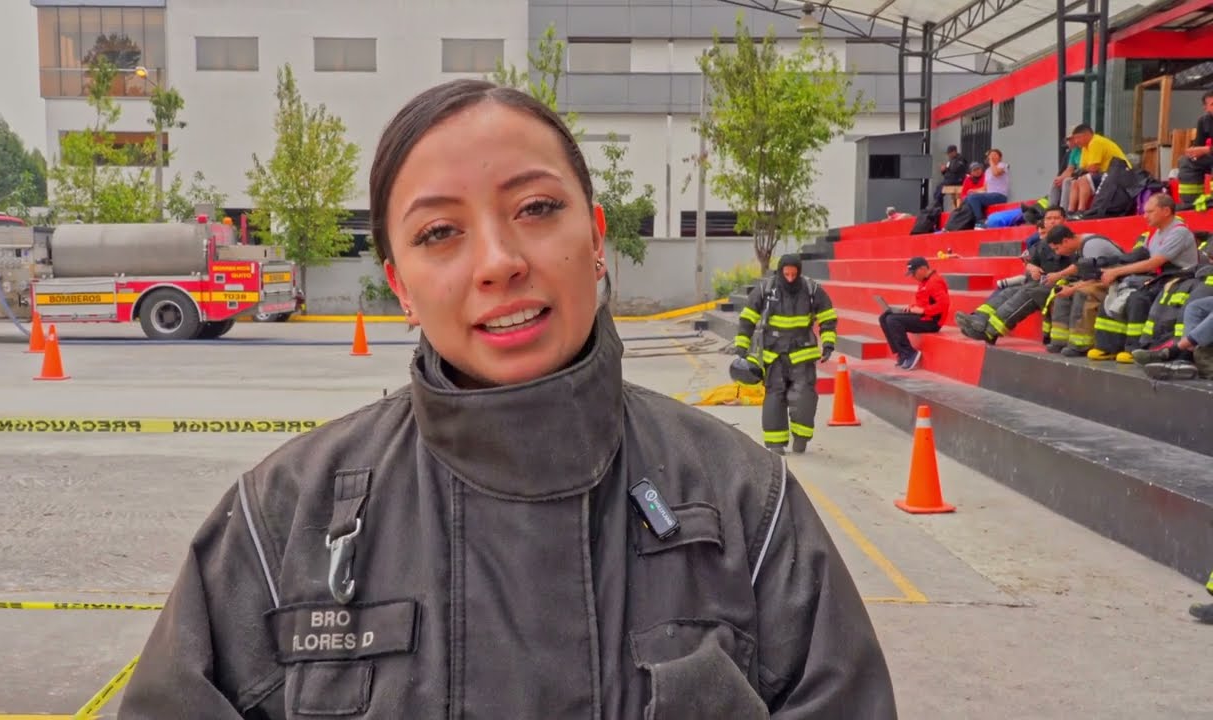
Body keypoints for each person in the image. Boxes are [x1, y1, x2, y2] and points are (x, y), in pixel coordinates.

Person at [116, 79, 897, 718]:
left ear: (594, 237)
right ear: (401, 287)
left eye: (535, 209)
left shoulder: (747, 506)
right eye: (438, 234)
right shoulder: (281, 516)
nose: (497, 262)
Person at [733, 255, 838, 456]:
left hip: (803, 354)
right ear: (780, 271)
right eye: (786, 274)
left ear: (799, 272)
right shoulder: (766, 289)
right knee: (775, 397)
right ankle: (775, 443)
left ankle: (801, 439)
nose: (790, 278)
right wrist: (741, 348)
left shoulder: (811, 289)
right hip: (774, 356)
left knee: (805, 397)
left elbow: (827, 317)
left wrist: (828, 344)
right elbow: (747, 319)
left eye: (794, 274)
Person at [1090, 194, 1200, 363]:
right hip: (1160, 277)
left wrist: (1117, 272)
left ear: (1166, 211)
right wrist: (1113, 270)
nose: (1144, 215)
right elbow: (1143, 258)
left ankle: (1135, 348)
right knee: (1118, 290)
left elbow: (1153, 263)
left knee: (1138, 298)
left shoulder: (1179, 232)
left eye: (1150, 211)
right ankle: (1108, 346)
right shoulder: (1154, 234)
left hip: (1179, 280)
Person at [956, 208, 1072, 345]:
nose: (1052, 221)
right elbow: (1027, 259)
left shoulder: (1069, 240)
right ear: (1044, 222)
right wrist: (1031, 267)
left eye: (1056, 218)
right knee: (1008, 291)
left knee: (1028, 293)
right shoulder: (1041, 244)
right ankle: (979, 318)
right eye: (1049, 218)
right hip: (1038, 282)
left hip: (1058, 285)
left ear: (1065, 220)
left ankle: (989, 332)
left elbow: (1075, 268)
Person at [1042, 224, 1125, 356]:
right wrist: (1060, 277)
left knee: (1082, 293)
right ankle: (1060, 341)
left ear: (1065, 241)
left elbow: (1096, 278)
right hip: (1102, 279)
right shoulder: (1082, 244)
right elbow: (1079, 267)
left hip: (1117, 282)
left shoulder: (1091, 246)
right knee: (1063, 293)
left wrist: (1073, 289)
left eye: (1057, 248)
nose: (1057, 253)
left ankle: (1080, 344)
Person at [879, 256, 949, 370]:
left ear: (922, 269)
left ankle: (910, 353)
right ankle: (901, 354)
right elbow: (923, 302)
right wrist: (911, 307)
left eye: (913, 273)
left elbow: (944, 304)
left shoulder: (935, 282)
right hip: (923, 317)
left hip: (931, 322)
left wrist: (924, 311)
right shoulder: (924, 282)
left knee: (892, 320)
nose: (912, 277)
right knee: (884, 317)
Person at [1065, 124, 1130, 214]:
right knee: (1074, 182)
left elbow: (1093, 168)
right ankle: (1070, 211)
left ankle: (1081, 210)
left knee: (1084, 179)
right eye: (1075, 138)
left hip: (1119, 174)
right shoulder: (1085, 147)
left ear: (1087, 135)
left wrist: (1083, 170)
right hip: (1105, 174)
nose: (1076, 141)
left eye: (1078, 138)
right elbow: (1083, 167)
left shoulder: (1095, 142)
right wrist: (1081, 171)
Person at [1176, 90, 1213, 209]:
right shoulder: (1204, 121)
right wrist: (1193, 152)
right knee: (1186, 161)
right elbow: (1199, 146)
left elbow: (1205, 150)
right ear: (1206, 108)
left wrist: (1206, 150)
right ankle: (1190, 205)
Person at [963, 149, 1009, 222]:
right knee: (967, 198)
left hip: (999, 195)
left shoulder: (1003, 165)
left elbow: (996, 173)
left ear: (1000, 157)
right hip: (990, 195)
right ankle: (968, 222)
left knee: (973, 198)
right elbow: (985, 188)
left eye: (995, 155)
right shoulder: (987, 171)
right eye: (991, 155)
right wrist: (973, 191)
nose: (992, 157)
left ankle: (980, 220)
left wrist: (991, 161)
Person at [932, 144, 968, 208]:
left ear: (954, 152)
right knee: (937, 191)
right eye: (948, 153)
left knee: (939, 191)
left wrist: (946, 168)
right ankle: (938, 208)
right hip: (949, 180)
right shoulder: (950, 160)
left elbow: (956, 169)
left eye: (950, 153)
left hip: (957, 180)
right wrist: (943, 170)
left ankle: (938, 208)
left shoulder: (960, 159)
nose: (948, 155)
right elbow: (948, 172)